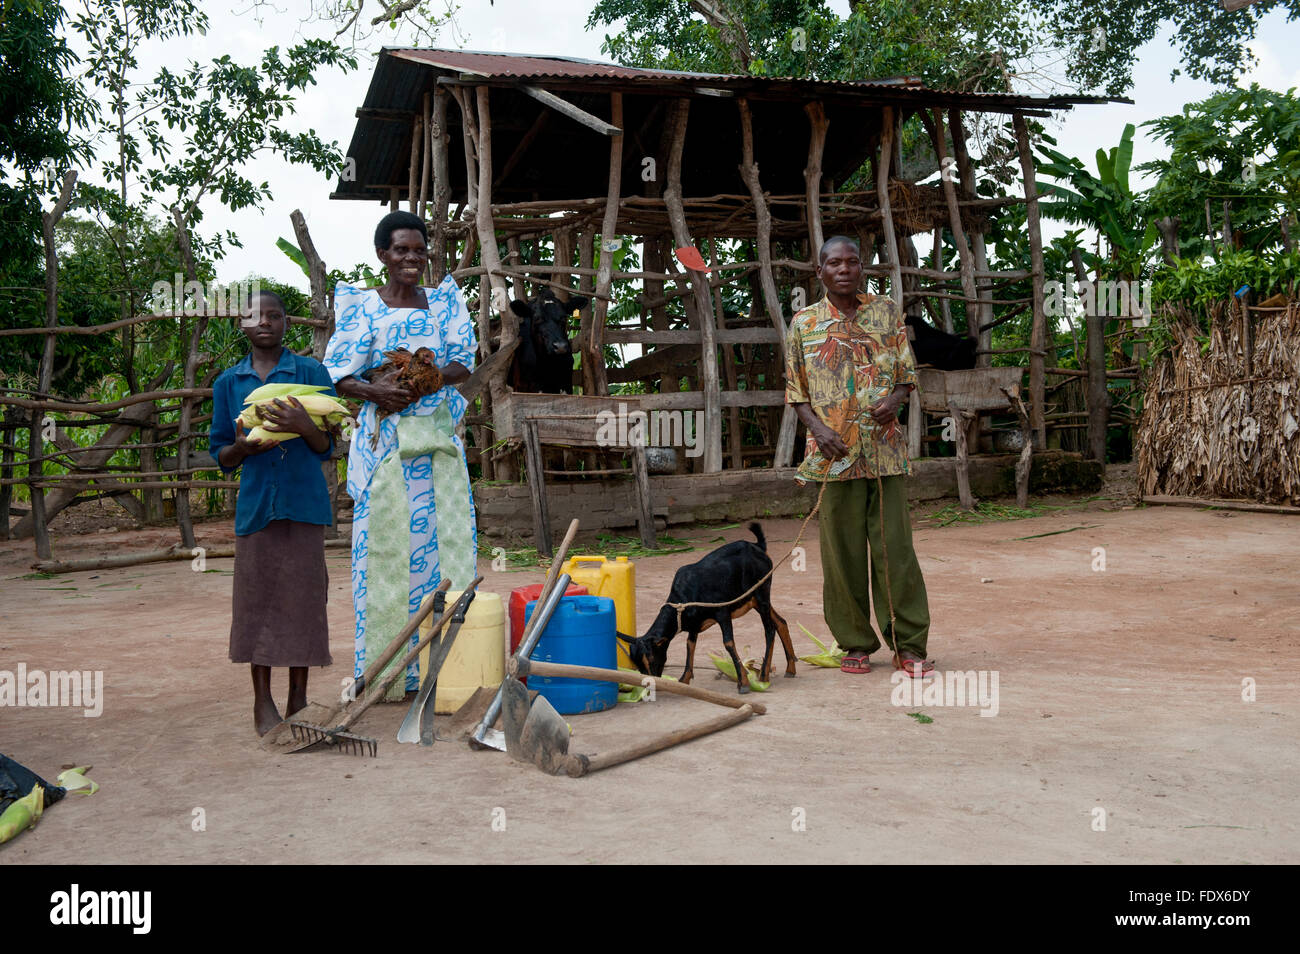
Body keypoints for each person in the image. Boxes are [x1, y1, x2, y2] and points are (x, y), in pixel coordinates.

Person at [324, 210, 477, 701]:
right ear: (382, 256)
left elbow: (462, 362)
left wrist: (428, 376)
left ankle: (446, 667)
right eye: (400, 250)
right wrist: (376, 392)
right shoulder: (361, 307)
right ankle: (386, 672)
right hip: (385, 446)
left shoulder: (445, 303)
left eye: (418, 249)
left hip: (437, 445)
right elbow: (337, 376)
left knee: (446, 550)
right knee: (384, 554)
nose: (411, 258)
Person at [784, 235, 934, 678]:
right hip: (833, 455)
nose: (844, 269)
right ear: (820, 271)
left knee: (896, 552)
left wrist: (896, 400)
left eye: (852, 262)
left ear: (863, 268)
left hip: (884, 453)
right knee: (841, 553)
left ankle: (908, 646)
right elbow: (796, 391)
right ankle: (854, 641)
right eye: (834, 263)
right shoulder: (804, 323)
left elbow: (907, 375)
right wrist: (817, 429)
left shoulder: (886, 313)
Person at [209, 290, 336, 735]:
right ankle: (262, 700)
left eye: (274, 315)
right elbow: (220, 454)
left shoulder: (310, 373)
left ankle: (298, 696)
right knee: (256, 601)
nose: (264, 321)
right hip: (257, 506)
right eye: (253, 316)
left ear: (287, 323)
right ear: (240, 325)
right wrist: (242, 448)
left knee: (303, 600)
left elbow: (327, 447)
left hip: (304, 504)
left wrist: (303, 426)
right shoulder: (229, 383)